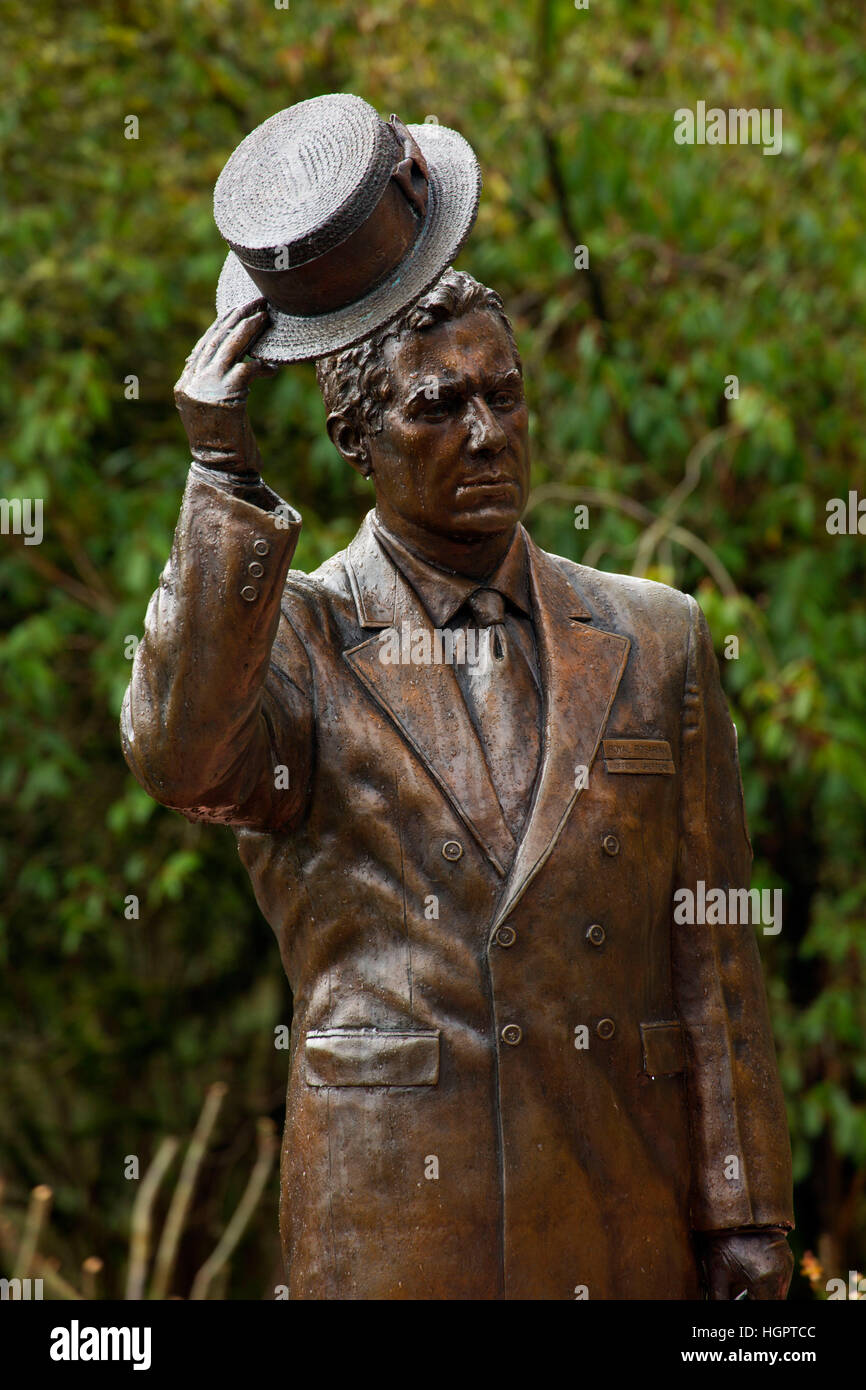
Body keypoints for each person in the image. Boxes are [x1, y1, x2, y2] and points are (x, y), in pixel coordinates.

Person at [121, 266, 794, 1299]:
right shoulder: (291, 638)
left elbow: (713, 953)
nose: (485, 434)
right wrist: (219, 477)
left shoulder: (657, 636)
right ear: (358, 439)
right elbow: (181, 758)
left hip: (620, 1209)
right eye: (438, 406)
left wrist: (744, 1208)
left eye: (503, 395)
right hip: (394, 1216)